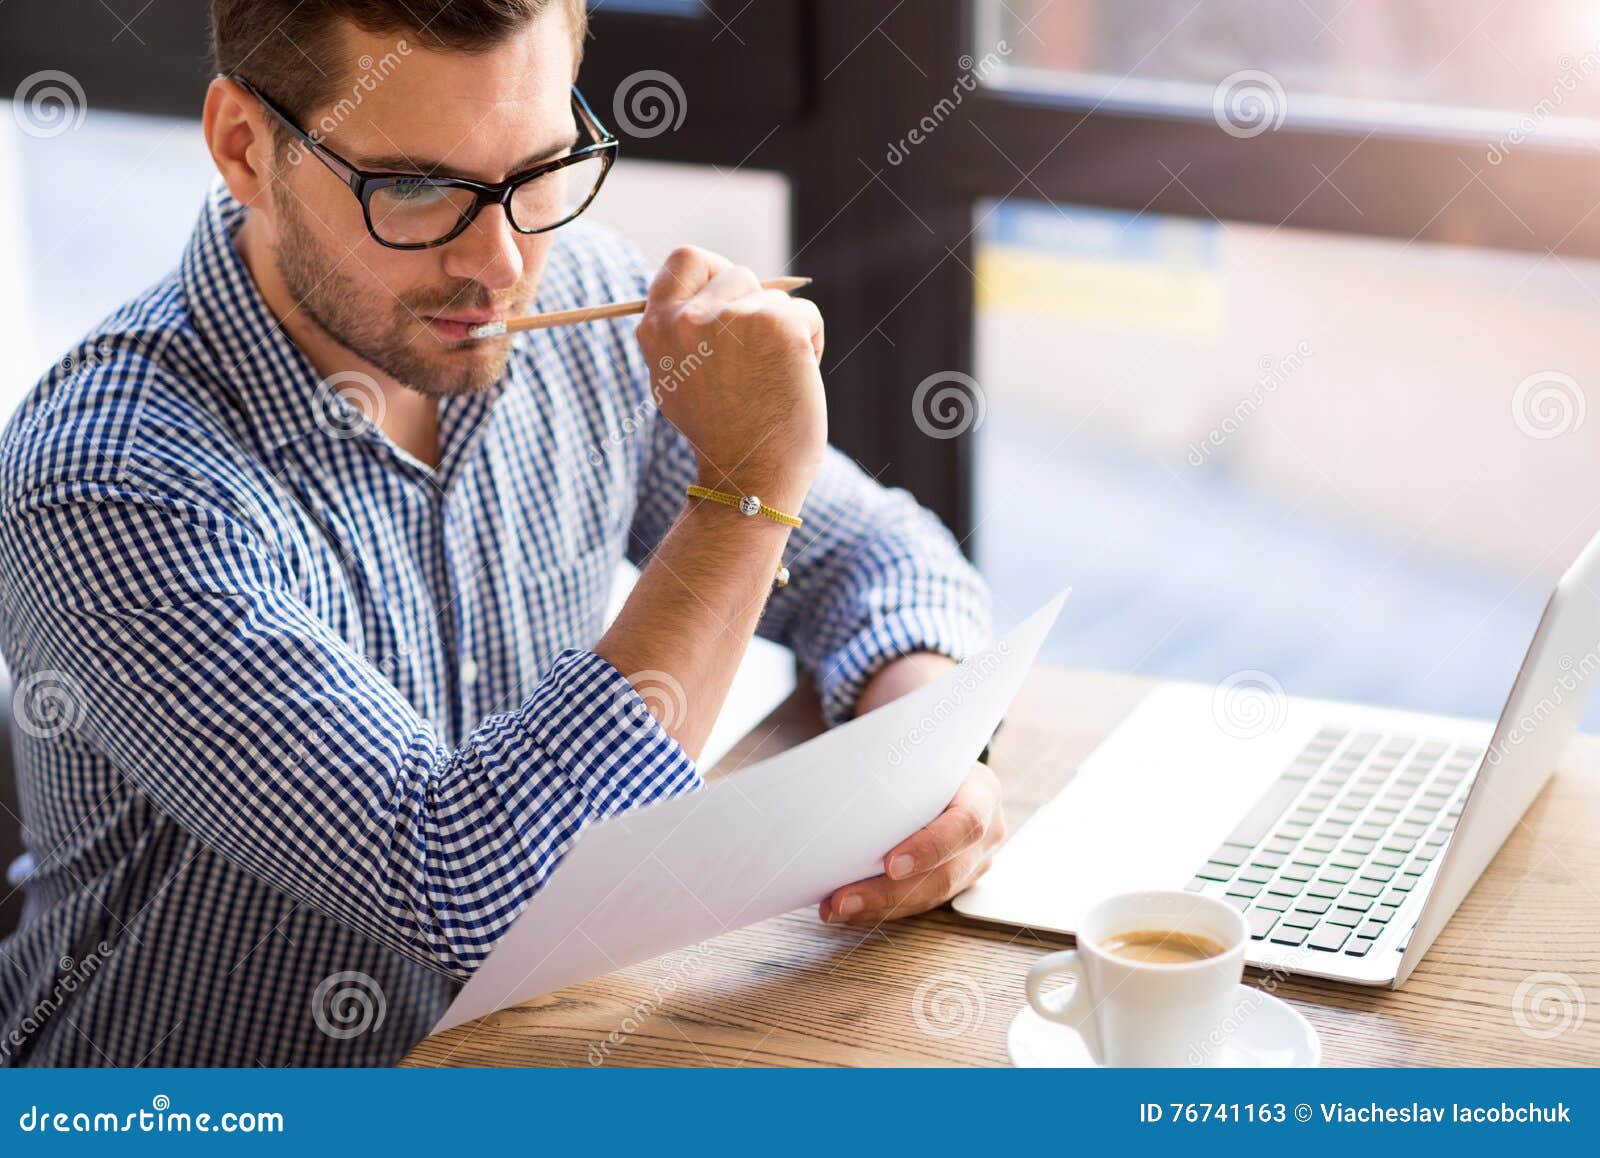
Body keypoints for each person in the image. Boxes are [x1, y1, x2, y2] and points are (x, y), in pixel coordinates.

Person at [0, 0, 997, 1066]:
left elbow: (878, 555)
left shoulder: (587, 303)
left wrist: (926, 757)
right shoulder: (106, 485)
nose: (504, 265)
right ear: (246, 149)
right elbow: (469, 888)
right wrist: (746, 486)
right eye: (418, 187)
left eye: (538, 172)